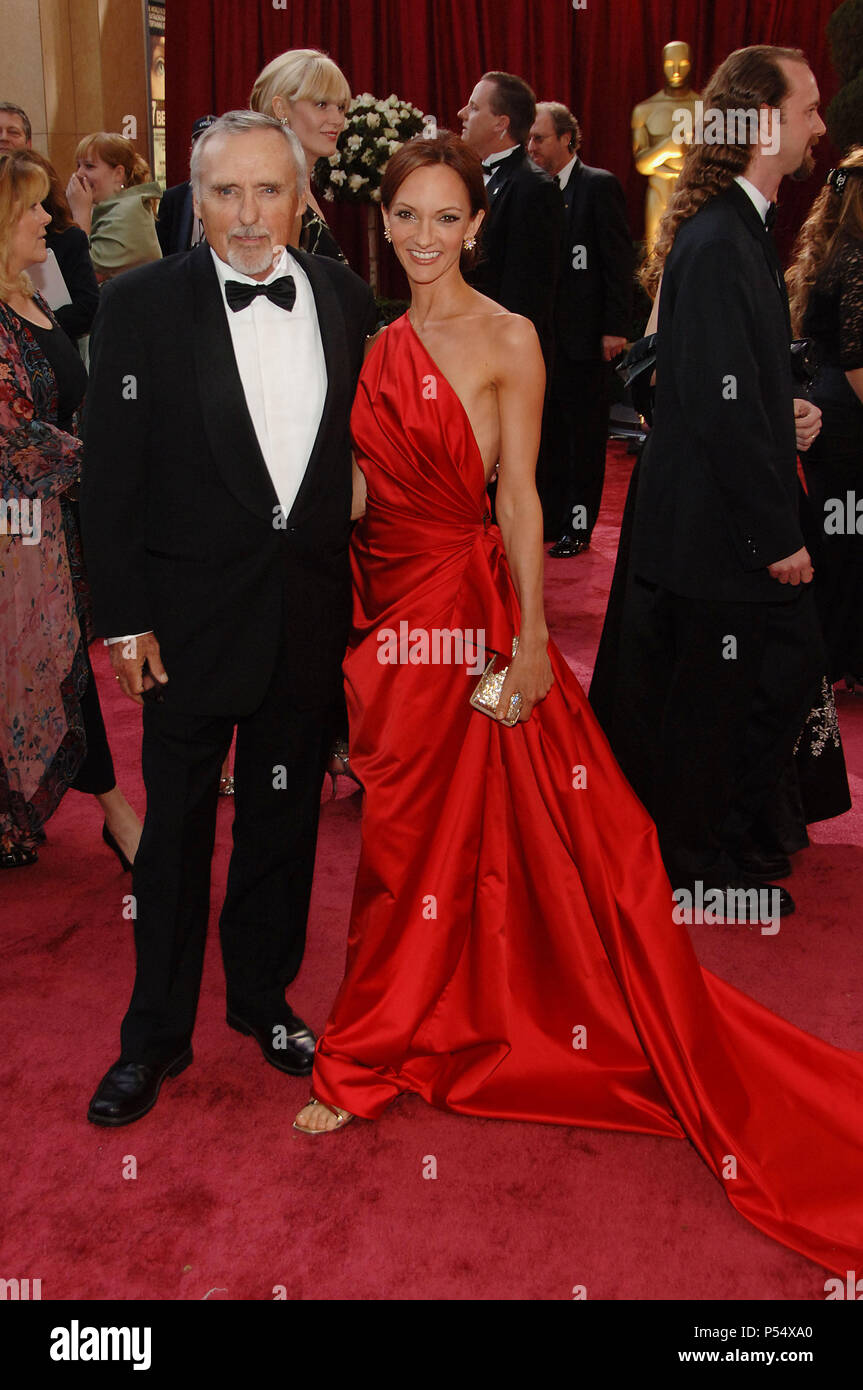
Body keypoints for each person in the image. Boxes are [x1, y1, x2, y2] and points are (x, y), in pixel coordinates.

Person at [290, 130, 863, 1279]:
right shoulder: (367, 338)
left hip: (475, 613)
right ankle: (412, 1018)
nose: (422, 238)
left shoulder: (508, 338)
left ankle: (369, 1047)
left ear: (476, 226)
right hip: (387, 616)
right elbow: (352, 483)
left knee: (471, 834)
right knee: (404, 828)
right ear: (382, 220)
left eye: (444, 218)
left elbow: (512, 500)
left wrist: (537, 639)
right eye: (405, 216)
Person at [80, 111, 376, 1127]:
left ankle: (262, 997)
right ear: (190, 199)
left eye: (266, 191)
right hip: (185, 620)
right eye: (223, 193)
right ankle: (153, 1034)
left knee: (284, 819)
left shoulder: (342, 295)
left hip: (303, 616)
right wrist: (124, 621)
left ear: (301, 197)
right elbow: (110, 478)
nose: (246, 217)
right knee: (173, 838)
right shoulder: (140, 305)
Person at [593, 46, 829, 905]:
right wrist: (779, 540)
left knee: (733, 688)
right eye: (807, 109)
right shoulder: (724, 236)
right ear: (764, 123)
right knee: (718, 699)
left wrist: (789, 409)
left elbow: (720, 382)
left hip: (704, 520)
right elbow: (720, 413)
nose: (818, 125)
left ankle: (727, 849)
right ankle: (703, 866)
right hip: (718, 529)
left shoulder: (734, 228)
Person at [0, 150, 141, 869]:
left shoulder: (31, 296)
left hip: (56, 520)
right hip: (16, 529)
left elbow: (66, 399)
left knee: (44, 665)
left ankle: (15, 813)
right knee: (55, 666)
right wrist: (110, 462)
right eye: (31, 207)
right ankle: (118, 815)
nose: (47, 219)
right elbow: (15, 432)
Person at [528, 101, 633, 556]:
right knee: (547, 434)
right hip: (542, 343)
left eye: (540, 138)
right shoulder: (532, 191)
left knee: (585, 439)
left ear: (567, 139)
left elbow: (617, 263)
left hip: (587, 342)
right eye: (529, 138)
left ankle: (578, 527)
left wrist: (614, 328)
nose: (531, 147)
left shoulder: (598, 186)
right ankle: (551, 520)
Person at [787, 150, 863, 691]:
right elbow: (858, 360)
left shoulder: (835, 252)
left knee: (840, 541)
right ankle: (834, 662)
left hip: (826, 414)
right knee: (847, 544)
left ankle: (834, 661)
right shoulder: (858, 259)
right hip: (846, 421)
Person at [458, 72, 563, 367]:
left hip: (501, 356)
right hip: (468, 344)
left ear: (500, 123)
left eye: (474, 107)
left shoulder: (534, 187)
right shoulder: (470, 176)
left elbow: (526, 294)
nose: (462, 113)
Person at [250, 48, 350, 262]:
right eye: (321, 104)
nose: (337, 119)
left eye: (341, 107)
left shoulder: (299, 186)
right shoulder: (271, 191)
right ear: (281, 108)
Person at [25, 150, 100, 342]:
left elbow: (88, 307)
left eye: (37, 203)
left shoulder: (67, 238)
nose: (44, 217)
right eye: (30, 206)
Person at [67, 133, 161, 280]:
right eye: (78, 165)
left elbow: (85, 275)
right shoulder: (110, 209)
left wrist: (80, 213)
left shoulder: (128, 213)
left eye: (89, 166)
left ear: (118, 174)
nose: (79, 174)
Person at [156, 116, 217, 256]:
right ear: (191, 152)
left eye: (211, 144)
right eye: (200, 145)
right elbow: (163, 254)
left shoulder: (236, 195)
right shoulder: (172, 199)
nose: (206, 152)